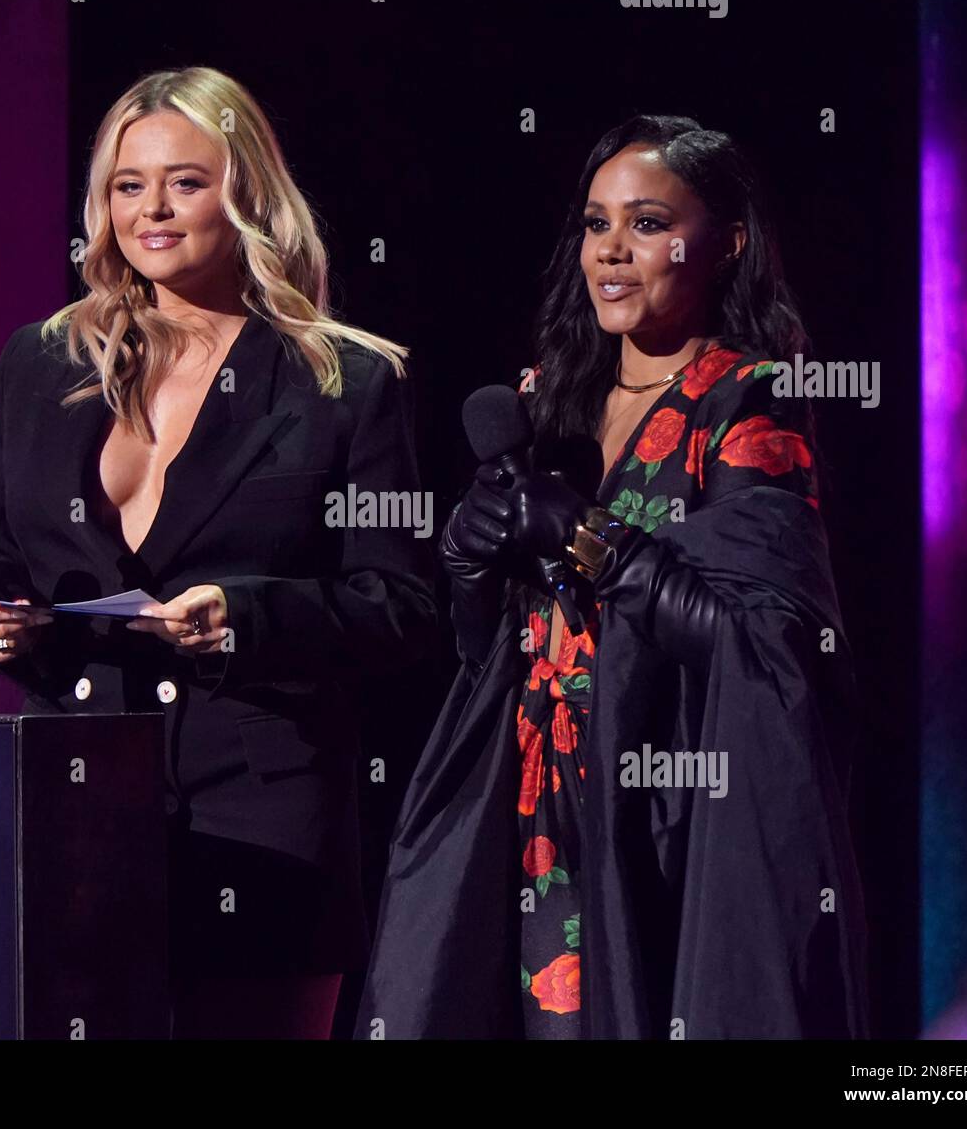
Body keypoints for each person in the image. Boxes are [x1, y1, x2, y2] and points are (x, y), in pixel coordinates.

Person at [0, 66, 436, 1039]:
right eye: (129, 185)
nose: (152, 210)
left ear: (247, 194)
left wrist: (243, 619)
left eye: (186, 180)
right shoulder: (39, 362)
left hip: (261, 813)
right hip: (76, 802)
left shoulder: (344, 380)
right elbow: (13, 565)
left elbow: (403, 608)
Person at [358, 115, 869, 1039]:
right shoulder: (549, 398)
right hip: (529, 805)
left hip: (659, 805)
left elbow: (766, 645)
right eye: (597, 225)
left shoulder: (746, 401)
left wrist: (599, 543)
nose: (613, 253)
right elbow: (491, 653)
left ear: (726, 245)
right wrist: (470, 568)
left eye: (646, 224)